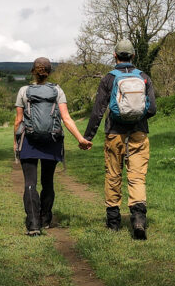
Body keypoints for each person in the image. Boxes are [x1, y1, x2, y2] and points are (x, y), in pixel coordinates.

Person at [83, 39, 157, 239]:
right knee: (137, 176)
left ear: (115, 56)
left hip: (114, 132)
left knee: (113, 174)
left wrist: (88, 137)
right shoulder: (143, 77)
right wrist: (137, 117)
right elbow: (152, 109)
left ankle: (114, 222)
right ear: (133, 56)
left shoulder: (108, 78)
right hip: (139, 132)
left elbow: (98, 110)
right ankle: (139, 219)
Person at [14, 57, 92, 236]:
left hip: (29, 141)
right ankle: (45, 219)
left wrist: (16, 142)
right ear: (49, 72)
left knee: (30, 183)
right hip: (53, 141)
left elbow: (18, 120)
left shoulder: (24, 91)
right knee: (47, 182)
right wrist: (80, 138)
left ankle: (33, 224)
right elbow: (66, 118)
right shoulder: (57, 90)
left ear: (33, 71)